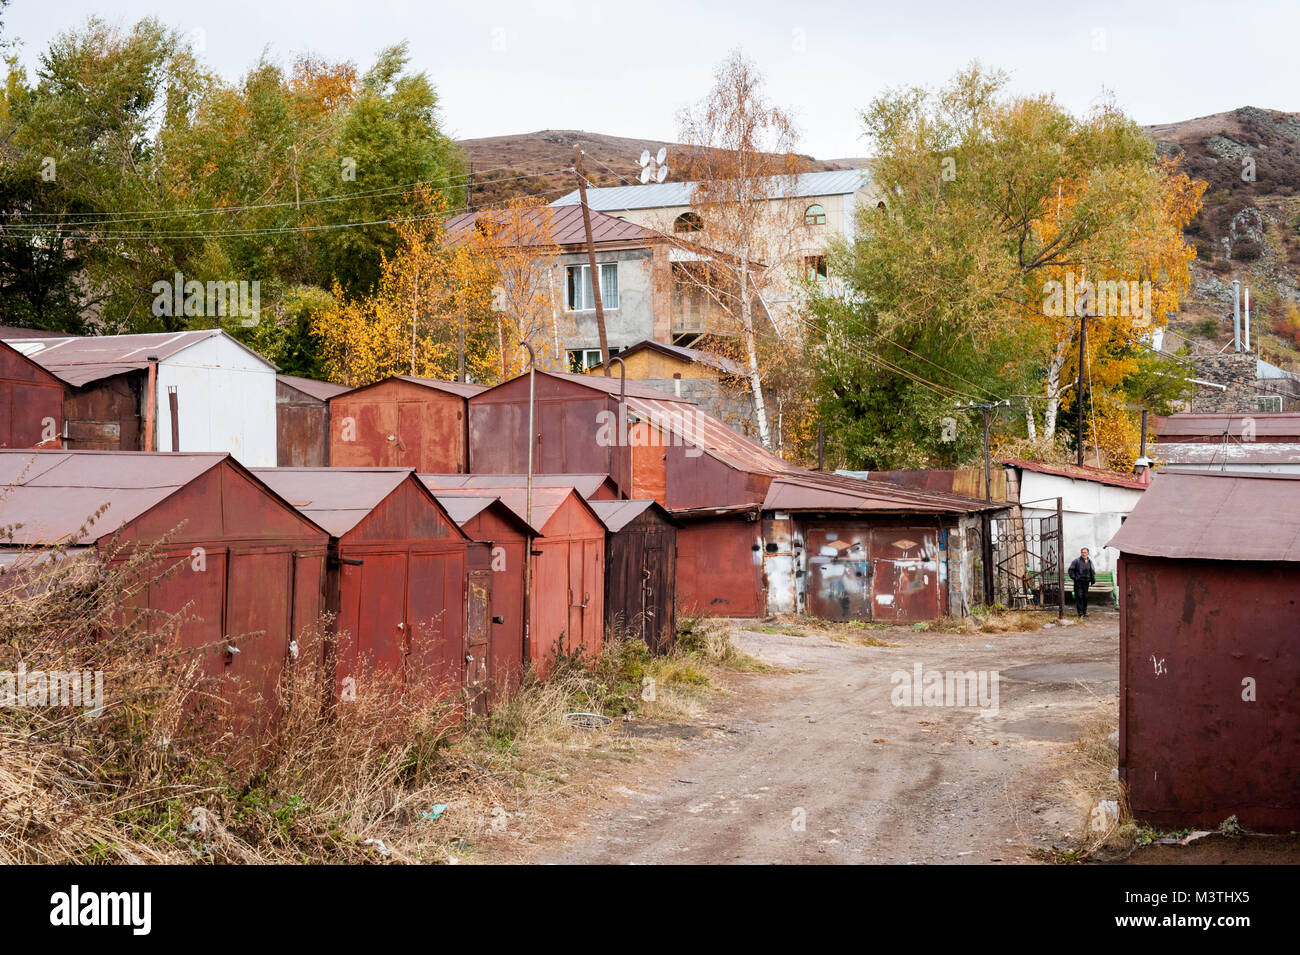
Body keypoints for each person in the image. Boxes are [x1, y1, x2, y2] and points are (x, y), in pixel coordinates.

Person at [1068, 547, 1096, 617]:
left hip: (1086, 582)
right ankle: (1080, 613)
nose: (1084, 554)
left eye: (1085, 552)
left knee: (1085, 597)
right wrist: (1075, 578)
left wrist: (1092, 579)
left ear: (1088, 553)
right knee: (1079, 596)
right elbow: (1070, 570)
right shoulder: (1076, 561)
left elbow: (1091, 571)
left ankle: (1084, 612)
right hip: (1078, 582)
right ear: (1081, 553)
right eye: (1082, 552)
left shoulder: (1090, 561)